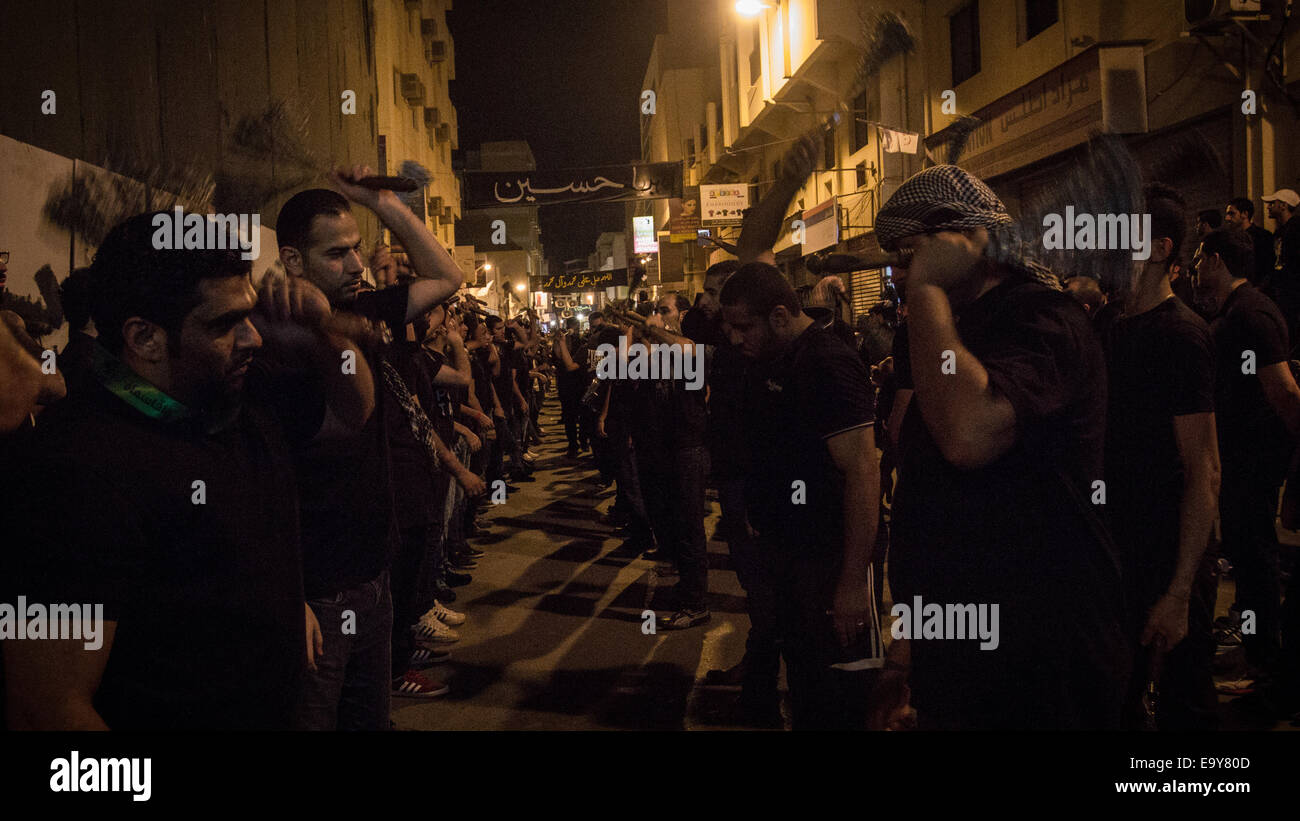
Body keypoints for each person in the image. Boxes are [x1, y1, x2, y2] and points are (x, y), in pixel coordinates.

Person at [2, 211, 375, 729]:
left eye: (250, 314)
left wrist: (322, 333)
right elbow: (45, 707)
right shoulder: (71, 472)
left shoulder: (236, 395)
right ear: (144, 336)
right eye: (224, 323)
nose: (254, 338)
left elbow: (351, 414)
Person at [878, 164, 1128, 730]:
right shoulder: (958, 326)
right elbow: (931, 501)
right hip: (964, 653)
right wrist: (905, 655)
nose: (898, 271)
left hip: (1041, 656)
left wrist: (926, 290)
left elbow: (968, 435)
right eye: (895, 257)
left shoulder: (1044, 320)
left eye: (909, 251)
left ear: (967, 241)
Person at [274, 166, 463, 730]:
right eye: (337, 254)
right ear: (291, 261)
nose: (357, 265)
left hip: (373, 575)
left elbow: (446, 275)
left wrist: (379, 201)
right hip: (317, 592)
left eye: (358, 249)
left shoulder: (367, 311)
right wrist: (289, 593)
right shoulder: (271, 341)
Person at [721, 263, 883, 729]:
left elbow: (862, 472)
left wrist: (852, 582)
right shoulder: (772, 360)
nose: (734, 338)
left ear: (777, 316)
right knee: (810, 688)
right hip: (791, 553)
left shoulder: (825, 362)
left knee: (843, 692)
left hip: (830, 557)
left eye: (742, 326)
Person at [1104, 183, 1221, 730]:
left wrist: (1179, 591)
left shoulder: (1182, 336)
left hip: (1170, 558)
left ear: (1160, 248)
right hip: (1120, 557)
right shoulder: (1111, 328)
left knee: (1185, 709)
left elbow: (1205, 470)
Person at [1196, 226, 1300, 711]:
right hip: (1240, 463)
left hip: (1253, 464)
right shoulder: (1238, 312)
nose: (1196, 268)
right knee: (1247, 560)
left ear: (1216, 260)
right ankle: (1259, 655)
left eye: (1200, 258)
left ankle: (1264, 663)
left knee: (1256, 563)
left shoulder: (1252, 313)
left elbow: (1282, 390)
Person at [1262, 188, 1300, 341]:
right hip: (1282, 288)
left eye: (1272, 203)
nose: (1268, 207)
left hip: (1293, 289)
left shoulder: (1296, 228)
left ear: (1284, 205)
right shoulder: (1279, 232)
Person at [1225, 197, 1274, 287]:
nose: (1227, 218)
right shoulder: (1229, 238)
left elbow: (1268, 268)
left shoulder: (1263, 236)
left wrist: (1260, 288)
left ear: (1244, 214)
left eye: (1231, 214)